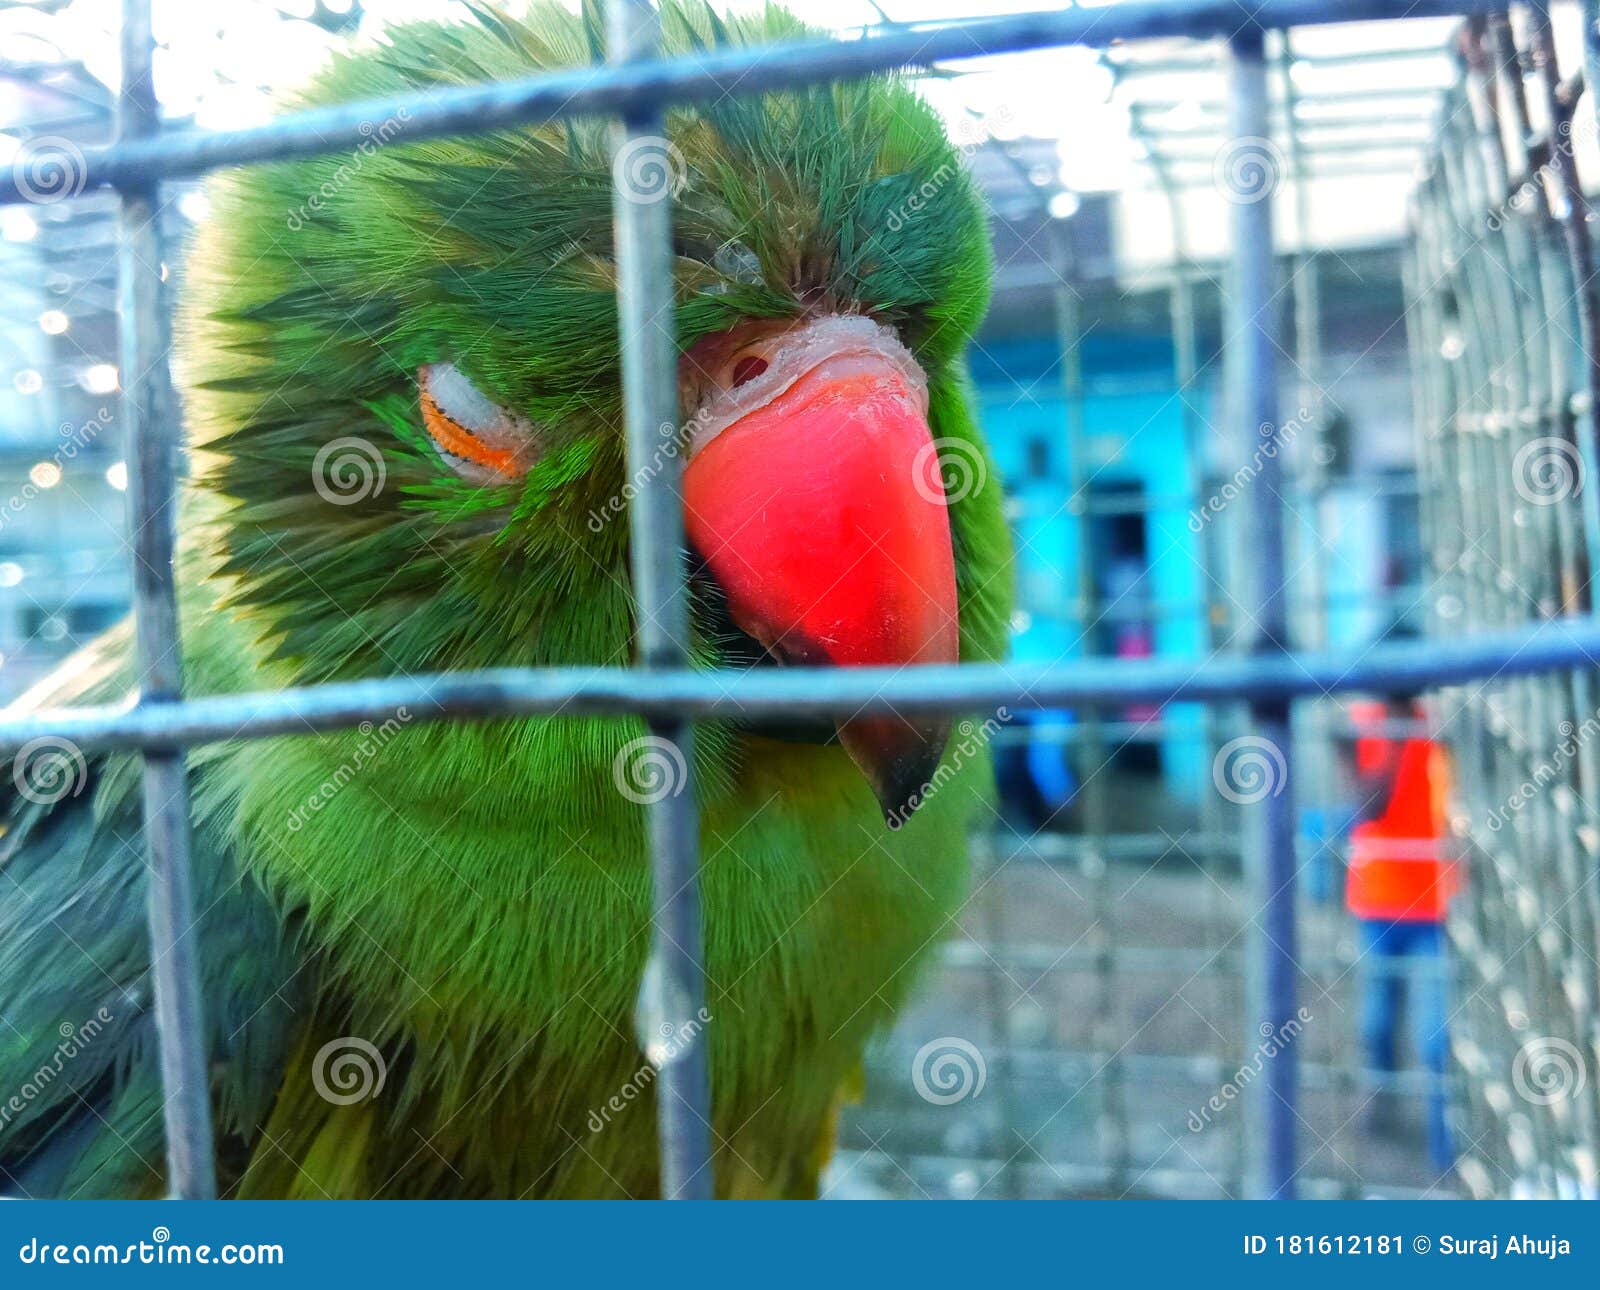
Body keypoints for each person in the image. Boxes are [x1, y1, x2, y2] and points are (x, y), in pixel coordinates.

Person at [1345, 693, 1459, 1171]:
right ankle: (1381, 1108)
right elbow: (1370, 805)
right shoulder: (1361, 724)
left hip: (1433, 904)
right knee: (1375, 1022)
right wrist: (1395, 733)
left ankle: (1444, 1140)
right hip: (1377, 901)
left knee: (1435, 1034)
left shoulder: (1443, 727)